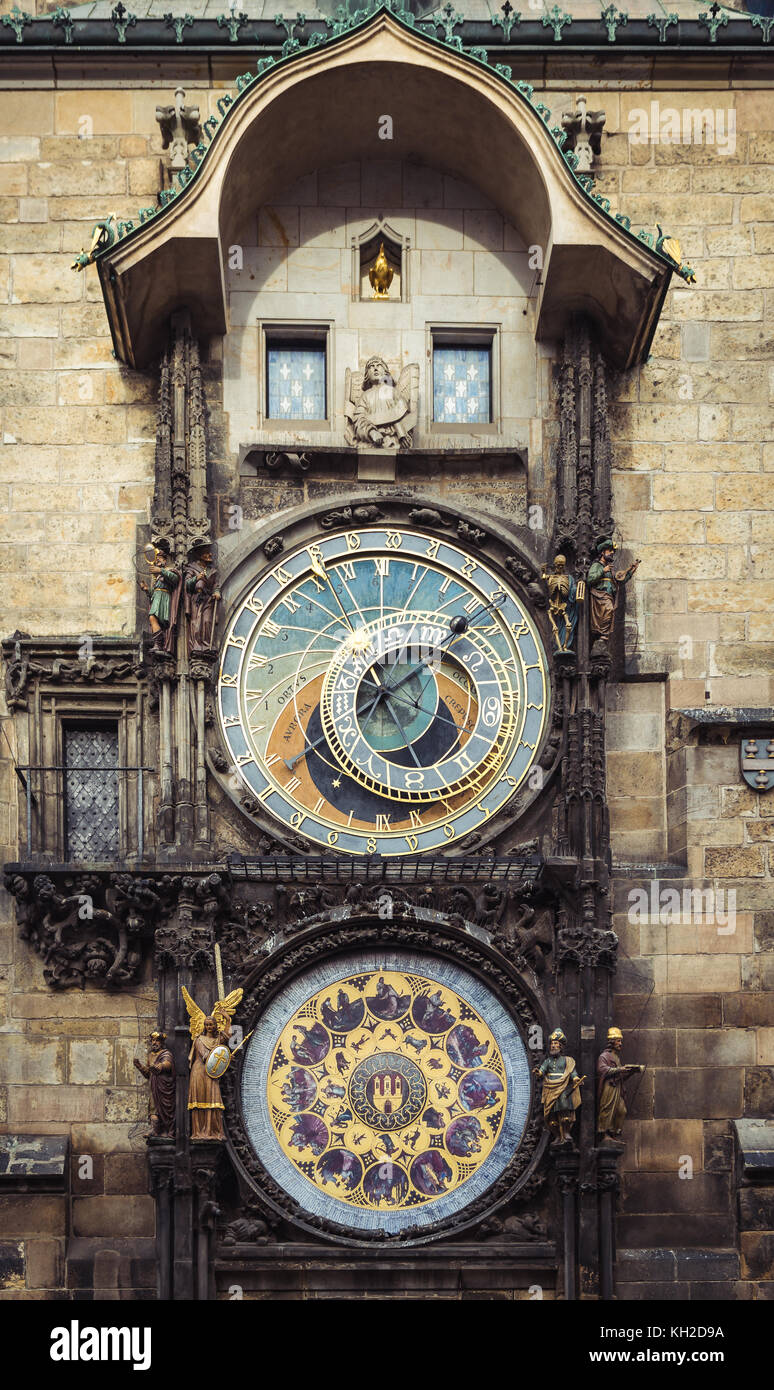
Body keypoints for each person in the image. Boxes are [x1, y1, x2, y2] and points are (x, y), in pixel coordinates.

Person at [535, 1027, 584, 1144]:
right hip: (550, 1088)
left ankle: (566, 1133)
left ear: (561, 1046)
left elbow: (572, 1072)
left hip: (563, 1088)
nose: (553, 1046)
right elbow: (542, 1071)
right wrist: (538, 1073)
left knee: (564, 1110)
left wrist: (576, 1078)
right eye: (552, 1044)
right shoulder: (548, 1061)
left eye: (555, 1043)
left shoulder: (567, 1060)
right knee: (551, 1115)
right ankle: (557, 1135)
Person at [587, 539, 640, 642]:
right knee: (609, 609)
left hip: (609, 596)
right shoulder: (597, 565)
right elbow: (590, 580)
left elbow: (619, 581)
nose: (612, 553)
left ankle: (604, 634)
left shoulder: (610, 569)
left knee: (610, 612)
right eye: (609, 550)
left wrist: (631, 571)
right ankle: (602, 633)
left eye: (613, 551)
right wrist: (603, 571)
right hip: (599, 596)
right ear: (603, 552)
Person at [597, 1026, 644, 1141]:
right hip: (609, 1087)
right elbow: (602, 1070)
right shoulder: (604, 1056)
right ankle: (605, 1133)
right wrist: (620, 1069)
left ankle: (614, 1132)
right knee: (607, 1109)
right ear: (612, 1042)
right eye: (618, 1041)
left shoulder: (616, 1058)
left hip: (617, 1087)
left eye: (620, 1041)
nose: (620, 1044)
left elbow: (620, 1077)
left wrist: (631, 1072)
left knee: (621, 1110)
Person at [187, 1015, 230, 1139]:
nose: (209, 1027)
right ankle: (199, 1131)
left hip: (212, 1072)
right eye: (206, 1025)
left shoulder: (217, 1040)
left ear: (215, 1025)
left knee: (213, 1099)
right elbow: (205, 1056)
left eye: (211, 1024)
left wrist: (228, 1020)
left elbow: (227, 1036)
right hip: (200, 1071)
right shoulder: (199, 1040)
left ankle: (212, 1131)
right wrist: (225, 1057)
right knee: (200, 1099)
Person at [140, 540, 181, 651]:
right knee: (153, 618)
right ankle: (159, 643)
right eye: (156, 559)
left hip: (164, 599)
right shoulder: (157, 577)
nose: (157, 561)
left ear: (165, 560)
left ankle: (160, 642)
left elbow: (175, 579)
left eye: (159, 559)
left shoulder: (169, 570)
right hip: (157, 598)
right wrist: (147, 589)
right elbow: (154, 592)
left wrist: (161, 571)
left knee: (153, 617)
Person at [134, 1030, 176, 1138]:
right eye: (153, 1040)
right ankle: (155, 1130)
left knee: (166, 1109)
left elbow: (168, 1063)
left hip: (164, 1087)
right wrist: (139, 1066)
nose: (154, 1042)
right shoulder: (150, 1055)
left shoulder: (166, 1053)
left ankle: (168, 1130)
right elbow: (148, 1074)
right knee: (153, 1109)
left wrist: (161, 1066)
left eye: (157, 1040)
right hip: (154, 1086)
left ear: (161, 1042)